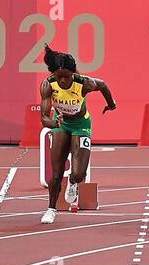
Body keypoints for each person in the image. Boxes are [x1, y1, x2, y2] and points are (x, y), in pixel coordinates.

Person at [39, 45, 115, 224]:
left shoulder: (83, 83)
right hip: (61, 125)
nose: (63, 80)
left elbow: (103, 85)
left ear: (73, 73)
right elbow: (44, 118)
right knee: (56, 174)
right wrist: (54, 123)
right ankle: (51, 209)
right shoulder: (48, 85)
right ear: (53, 74)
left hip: (81, 125)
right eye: (59, 76)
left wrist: (111, 104)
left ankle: (73, 182)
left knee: (79, 174)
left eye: (67, 76)